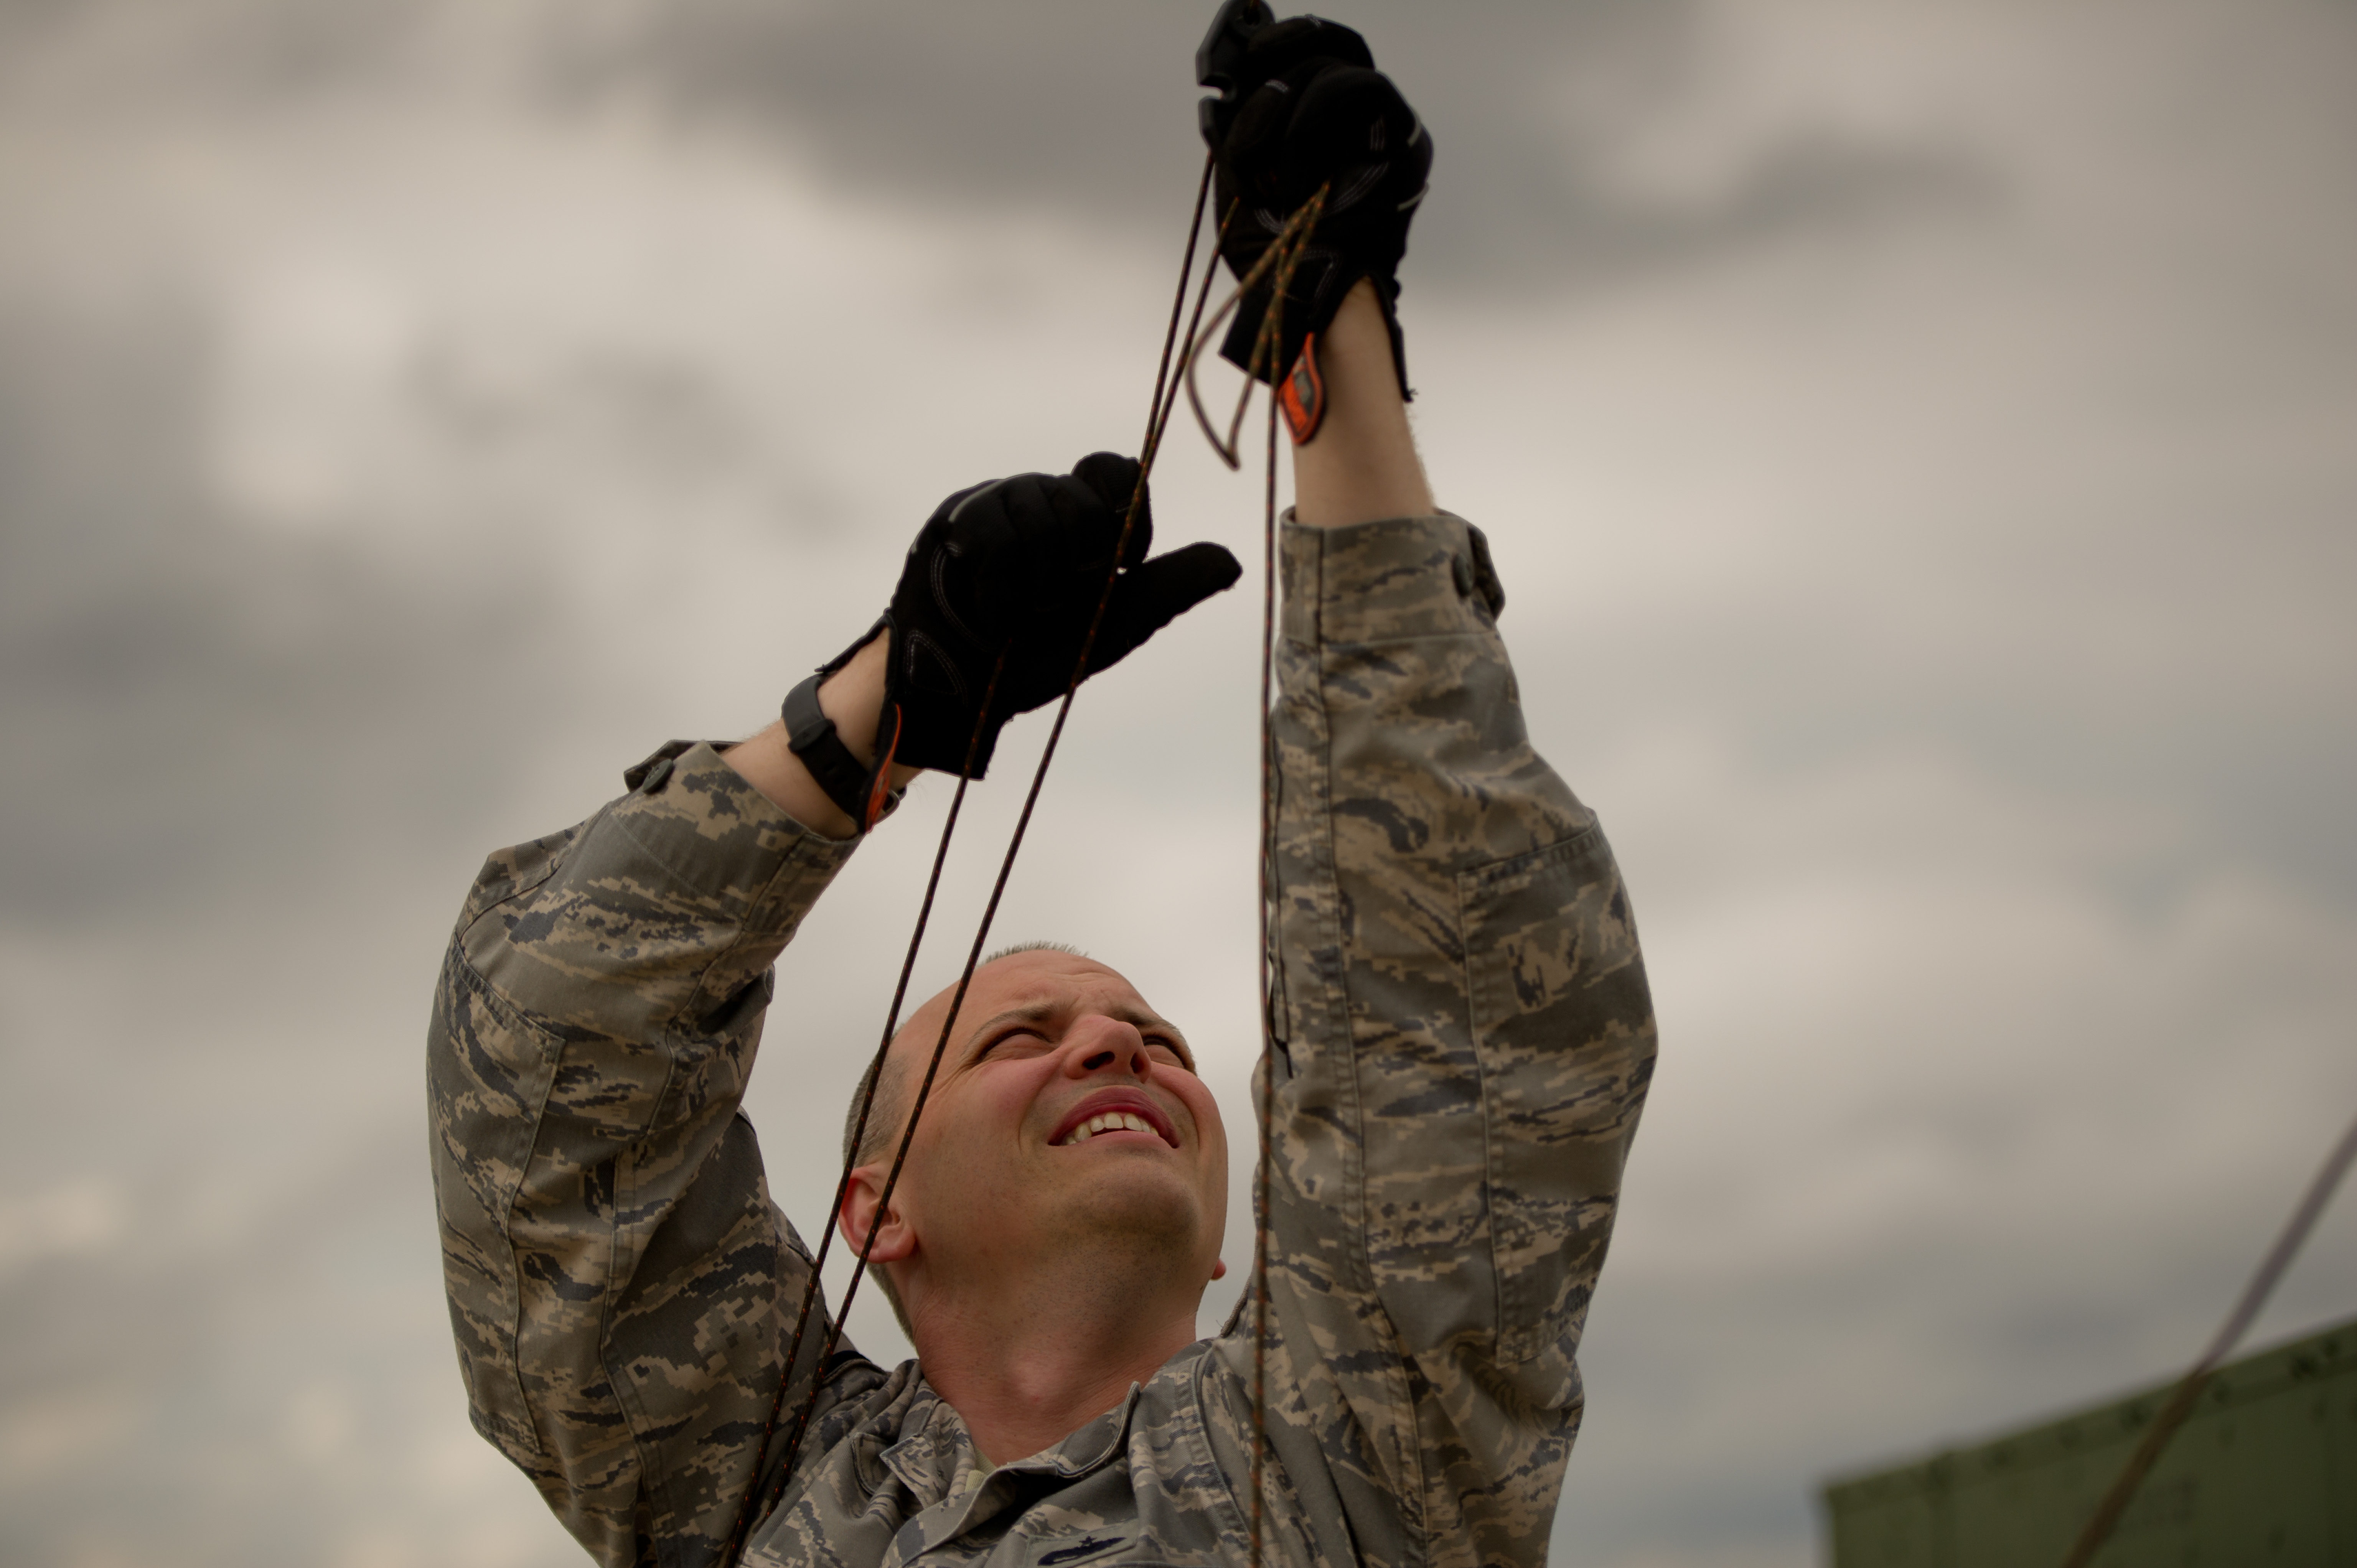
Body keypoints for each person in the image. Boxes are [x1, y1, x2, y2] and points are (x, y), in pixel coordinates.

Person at [427, 13, 1656, 1568]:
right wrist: (889, 703)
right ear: (875, 1210)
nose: (1117, 1041)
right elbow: (544, 1073)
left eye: (1153, 1039)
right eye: (1024, 1035)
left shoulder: (1358, 1442)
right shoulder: (749, 1490)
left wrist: (1329, 327)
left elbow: (1464, 1015)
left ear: (1229, 1240)